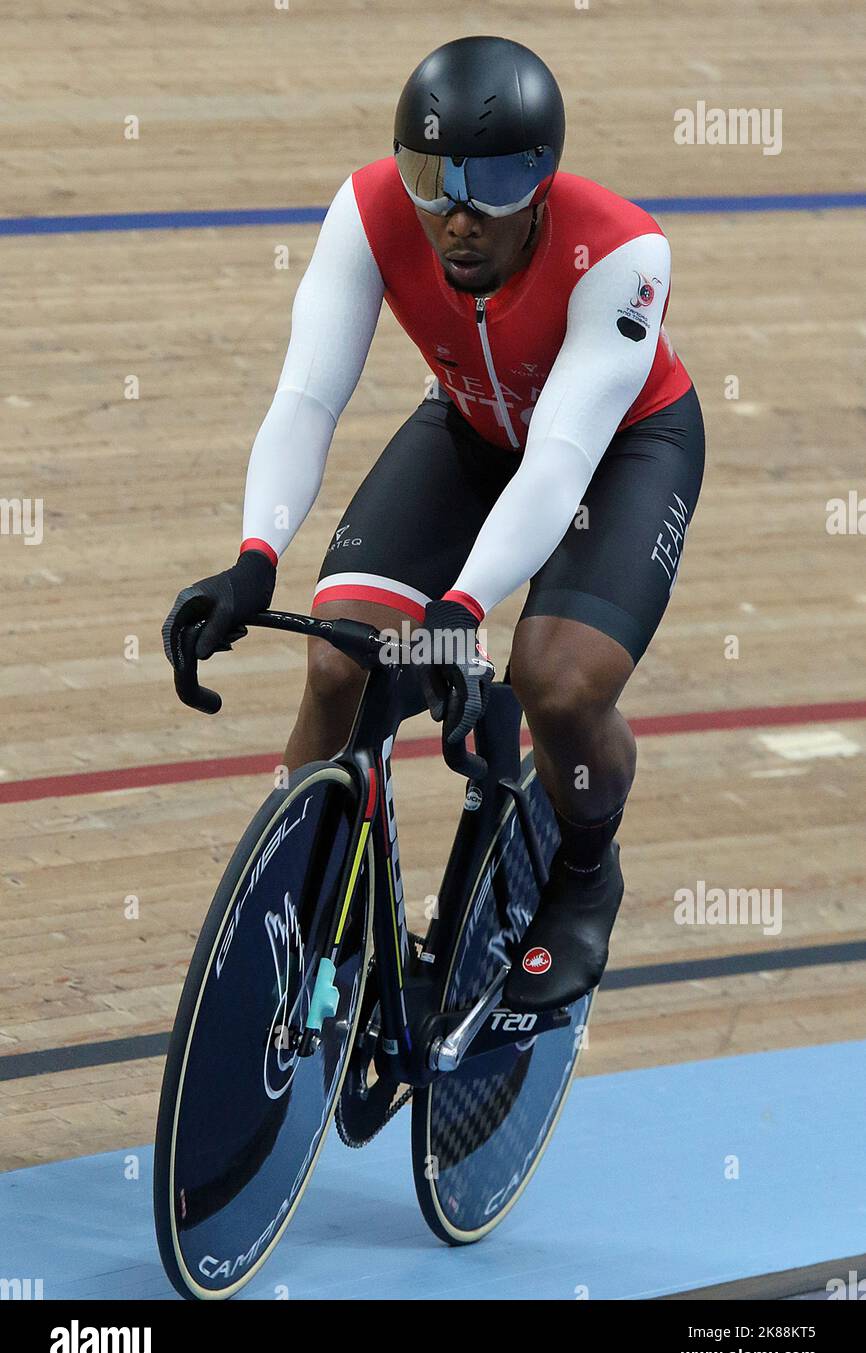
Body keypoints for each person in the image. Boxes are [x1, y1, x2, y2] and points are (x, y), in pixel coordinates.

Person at [163, 35, 705, 1012]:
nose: (455, 213)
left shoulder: (622, 253)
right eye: (432, 176)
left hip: (616, 453)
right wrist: (254, 556)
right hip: (471, 428)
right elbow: (305, 397)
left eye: (489, 182)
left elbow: (560, 459)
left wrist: (460, 604)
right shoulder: (371, 210)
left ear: (540, 182)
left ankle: (584, 876)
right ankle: (290, 924)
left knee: (556, 681)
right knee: (338, 663)